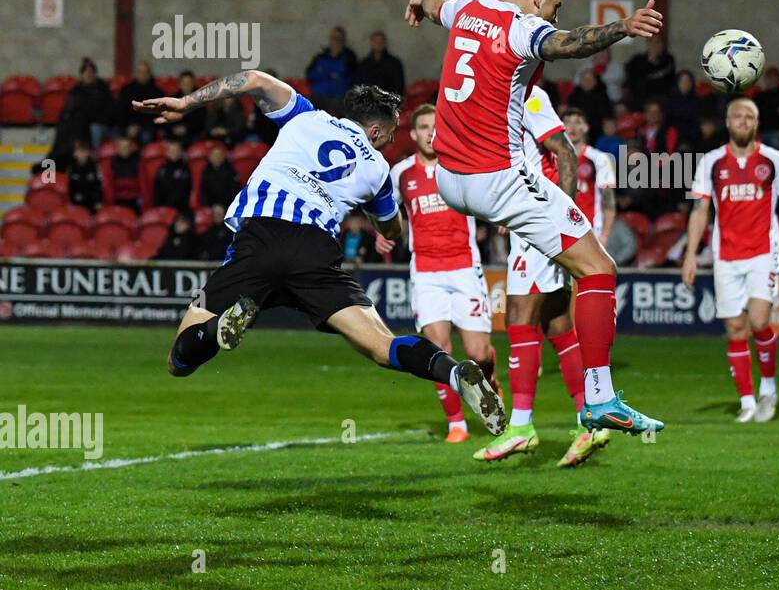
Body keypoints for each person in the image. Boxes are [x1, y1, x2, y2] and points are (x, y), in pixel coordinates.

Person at [132, 72, 505, 435]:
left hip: (262, 236)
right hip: (316, 252)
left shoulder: (304, 116)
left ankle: (219, 327)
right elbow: (393, 229)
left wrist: (187, 102)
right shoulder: (377, 168)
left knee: (178, 361)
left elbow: (254, 79)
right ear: (374, 131)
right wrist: (383, 227)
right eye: (389, 136)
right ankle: (455, 373)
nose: (389, 144)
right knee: (381, 344)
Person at [403, 0, 664, 435]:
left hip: (448, 179)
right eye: (555, 7)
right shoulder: (523, 27)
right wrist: (622, 27)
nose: (554, 17)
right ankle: (600, 399)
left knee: (552, 297)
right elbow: (567, 44)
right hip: (495, 179)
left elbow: (434, 0)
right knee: (599, 268)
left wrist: (419, 1)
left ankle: (529, 411)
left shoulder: (467, 8)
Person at [477, 88, 615, 467]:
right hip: (528, 219)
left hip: (540, 221)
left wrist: (556, 218)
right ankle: (591, 419)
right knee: (557, 324)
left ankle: (521, 427)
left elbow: (564, 153)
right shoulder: (507, 93)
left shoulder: (528, 94)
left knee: (519, 317)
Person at [682, 98, 779, 423]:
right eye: (737, 116)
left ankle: (768, 389)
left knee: (757, 321)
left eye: (749, 117)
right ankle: (747, 401)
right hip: (725, 256)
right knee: (735, 328)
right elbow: (700, 210)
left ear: (756, 124)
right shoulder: (711, 162)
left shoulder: (773, 160)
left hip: (763, 253)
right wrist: (690, 255)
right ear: (727, 123)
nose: (742, 121)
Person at [381, 103, 497, 444]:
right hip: (426, 273)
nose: (430, 133)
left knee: (477, 354)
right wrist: (381, 233)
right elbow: (388, 212)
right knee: (439, 348)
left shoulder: (460, 167)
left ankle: (492, 380)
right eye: (423, 127)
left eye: (435, 126)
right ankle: (456, 424)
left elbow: (488, 199)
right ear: (413, 134)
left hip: (464, 268)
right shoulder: (400, 173)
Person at [563, 107, 618, 249]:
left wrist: (605, 235)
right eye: (568, 122)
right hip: (560, 232)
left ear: (586, 127)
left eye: (578, 122)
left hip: (590, 233)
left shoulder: (600, 159)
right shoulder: (552, 159)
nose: (572, 127)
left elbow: (608, 201)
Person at [51, 58, 114, 167]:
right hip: (80, 123)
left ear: (94, 74)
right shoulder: (76, 89)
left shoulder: (102, 88)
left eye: (91, 72)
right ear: (82, 74)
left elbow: (109, 110)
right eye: (86, 72)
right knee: (66, 126)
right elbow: (68, 109)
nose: (88, 74)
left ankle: (94, 157)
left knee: (94, 128)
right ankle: (67, 156)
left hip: (99, 123)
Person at [306, 26, 356, 114]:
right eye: (334, 38)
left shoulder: (350, 57)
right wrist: (332, 75)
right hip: (320, 96)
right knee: (307, 108)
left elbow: (351, 79)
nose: (336, 41)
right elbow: (310, 75)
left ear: (343, 40)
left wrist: (323, 72)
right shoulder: (320, 57)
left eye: (339, 38)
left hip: (340, 97)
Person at [624, 32, 675, 109]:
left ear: (662, 45)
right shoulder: (637, 60)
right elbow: (633, 79)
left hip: (660, 100)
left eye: (657, 42)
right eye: (651, 42)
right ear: (647, 44)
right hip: (640, 100)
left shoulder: (668, 60)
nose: (654, 45)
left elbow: (665, 81)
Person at [116, 61, 164, 143]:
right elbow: (120, 111)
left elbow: (157, 114)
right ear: (136, 73)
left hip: (147, 127)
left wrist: (139, 126)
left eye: (145, 72)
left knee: (146, 136)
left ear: (149, 73)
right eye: (140, 72)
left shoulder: (157, 92)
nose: (142, 75)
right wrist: (128, 126)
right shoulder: (126, 90)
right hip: (128, 126)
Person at [352, 31, 406, 97]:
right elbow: (358, 84)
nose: (378, 44)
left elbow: (399, 86)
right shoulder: (363, 64)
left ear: (385, 43)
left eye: (381, 41)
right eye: (376, 41)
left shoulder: (395, 64)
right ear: (371, 43)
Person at [167, 71, 209, 145]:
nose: (186, 86)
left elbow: (201, 120)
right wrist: (174, 129)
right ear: (180, 84)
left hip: (193, 133)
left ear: (193, 84)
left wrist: (187, 129)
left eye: (189, 83)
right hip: (175, 134)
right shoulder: (173, 99)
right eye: (184, 83)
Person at [152, 139, 193, 211]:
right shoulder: (162, 169)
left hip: (182, 208)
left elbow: (188, 189)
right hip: (164, 208)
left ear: (180, 152)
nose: (173, 153)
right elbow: (157, 191)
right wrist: (157, 208)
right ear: (167, 153)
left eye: (176, 150)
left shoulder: (186, 168)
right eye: (171, 151)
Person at [755, 68, 779, 149]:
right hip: (761, 131)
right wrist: (777, 111)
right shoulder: (759, 96)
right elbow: (757, 112)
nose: (772, 80)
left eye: (774, 77)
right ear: (765, 79)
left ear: (778, 79)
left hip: (777, 131)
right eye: (769, 77)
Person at [200, 144, 241, 208]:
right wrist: (208, 207)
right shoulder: (206, 172)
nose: (216, 157)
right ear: (209, 157)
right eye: (214, 155)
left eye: (219, 155)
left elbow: (235, 190)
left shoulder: (230, 171)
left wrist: (224, 205)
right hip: (212, 205)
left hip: (228, 204)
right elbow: (204, 193)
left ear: (223, 156)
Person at [67, 141, 103, 213]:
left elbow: (98, 185)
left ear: (87, 153)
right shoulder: (72, 168)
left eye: (81, 151)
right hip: (77, 202)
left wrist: (98, 201)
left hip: (92, 202)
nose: (78, 154)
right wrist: (71, 202)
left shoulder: (95, 167)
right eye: (77, 152)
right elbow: (70, 187)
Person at [109, 137, 142, 212]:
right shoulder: (112, 162)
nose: (124, 149)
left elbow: (142, 183)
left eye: (126, 146)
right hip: (118, 199)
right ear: (117, 148)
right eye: (121, 147)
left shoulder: (138, 161)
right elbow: (110, 184)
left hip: (134, 199)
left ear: (130, 148)